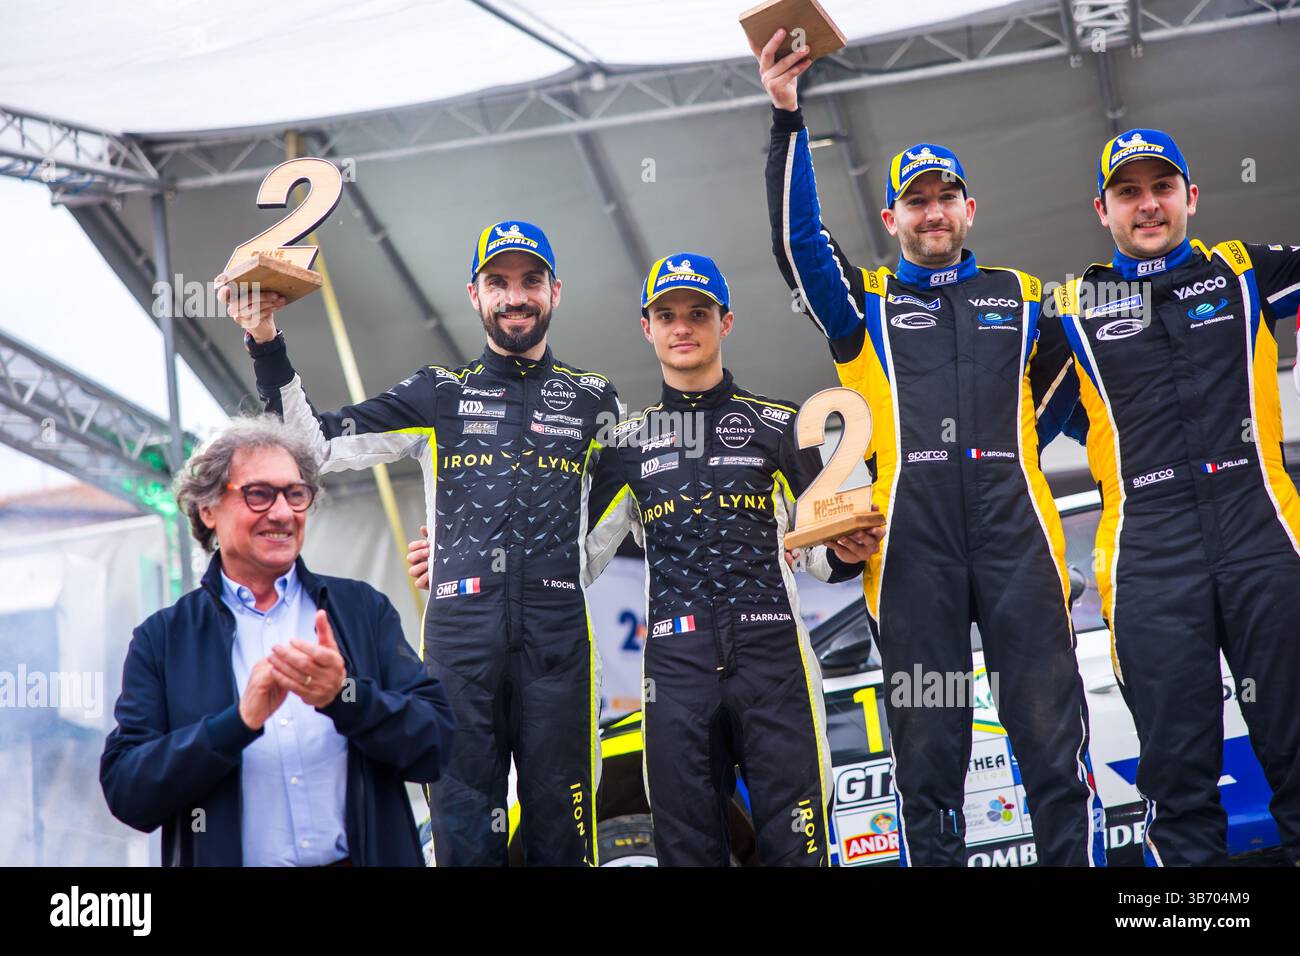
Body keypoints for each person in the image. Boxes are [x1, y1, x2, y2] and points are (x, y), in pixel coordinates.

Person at [753, 29, 1104, 866]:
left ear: (969, 210)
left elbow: (1101, 397)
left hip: (1020, 543)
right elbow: (798, 247)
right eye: (917, 200)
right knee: (930, 765)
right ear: (893, 216)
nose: (933, 211)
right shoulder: (864, 307)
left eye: (947, 197)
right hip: (913, 560)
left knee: (1054, 754)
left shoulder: (1023, 298)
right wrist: (785, 119)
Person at [412, 252, 880, 865]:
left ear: (726, 323)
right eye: (667, 315)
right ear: (647, 328)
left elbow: (823, 559)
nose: (683, 327)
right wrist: (459, 558)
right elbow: (571, 561)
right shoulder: (624, 446)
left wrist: (848, 553)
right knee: (687, 850)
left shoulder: (784, 426)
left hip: (775, 663)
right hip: (675, 673)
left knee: (798, 846)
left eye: (698, 313)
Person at [218, 221, 621, 866]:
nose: (515, 296)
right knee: (463, 834)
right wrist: (266, 342)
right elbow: (314, 446)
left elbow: (618, 515)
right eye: (499, 283)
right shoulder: (439, 391)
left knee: (565, 838)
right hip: (462, 641)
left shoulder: (596, 398)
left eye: (530, 282)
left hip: (560, 644)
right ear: (473, 294)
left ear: (556, 291)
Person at [1053, 129, 1300, 866]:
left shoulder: (1245, 271)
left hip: (1262, 532)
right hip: (1148, 557)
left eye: (1162, 187)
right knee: (1179, 776)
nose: (1148, 204)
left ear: (1191, 196)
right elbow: (996, 418)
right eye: (1128, 191)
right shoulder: (1068, 309)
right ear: (1103, 210)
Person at [100, 416, 454, 866]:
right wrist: (237, 724)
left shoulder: (361, 609)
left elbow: (436, 746)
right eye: (259, 494)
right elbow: (128, 791)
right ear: (208, 509)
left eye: (295, 493)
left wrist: (344, 697)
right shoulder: (163, 639)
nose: (283, 512)